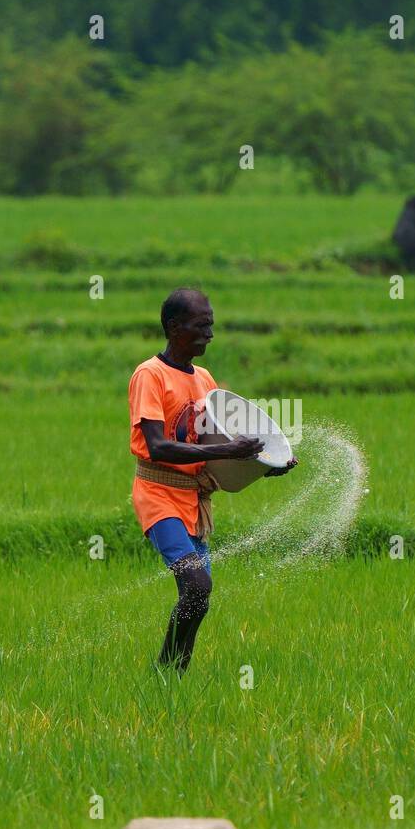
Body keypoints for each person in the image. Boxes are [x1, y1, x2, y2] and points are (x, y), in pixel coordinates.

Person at [128, 287, 296, 672]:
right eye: (201, 326)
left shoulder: (204, 379)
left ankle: (173, 676)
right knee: (197, 586)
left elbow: (220, 444)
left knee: (198, 596)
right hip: (159, 496)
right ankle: (164, 670)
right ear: (174, 328)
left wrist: (267, 465)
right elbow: (158, 447)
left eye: (211, 326)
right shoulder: (149, 376)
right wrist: (227, 451)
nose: (210, 335)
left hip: (194, 500)